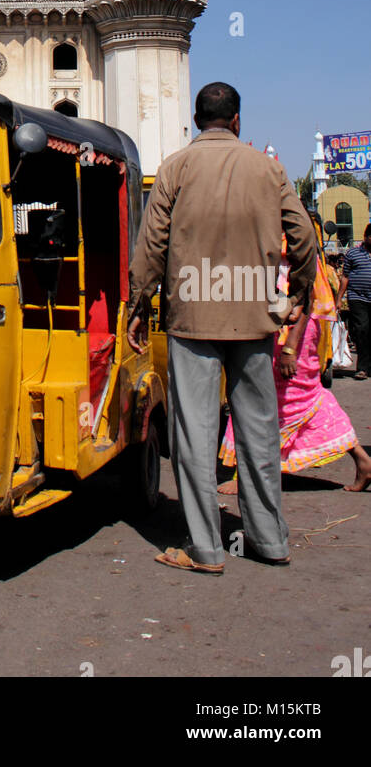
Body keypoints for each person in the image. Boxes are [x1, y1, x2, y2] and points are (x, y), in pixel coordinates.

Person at [128, 81, 317, 573]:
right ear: (237, 120)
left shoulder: (175, 168)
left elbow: (151, 244)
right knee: (259, 429)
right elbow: (303, 237)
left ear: (196, 121)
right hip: (255, 317)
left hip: (193, 316)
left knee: (195, 433)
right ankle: (269, 540)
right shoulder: (268, 169)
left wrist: (138, 304)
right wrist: (298, 293)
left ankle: (206, 548)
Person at [219, 231, 371, 493]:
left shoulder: (291, 241)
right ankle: (362, 459)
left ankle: (244, 472)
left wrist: (290, 347)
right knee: (292, 398)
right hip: (276, 330)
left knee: (261, 396)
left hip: (292, 335)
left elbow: (305, 298)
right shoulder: (270, 237)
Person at [336, 222, 371, 380]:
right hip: (357, 298)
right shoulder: (353, 253)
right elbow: (345, 277)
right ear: (366, 237)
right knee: (362, 330)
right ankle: (362, 368)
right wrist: (339, 299)